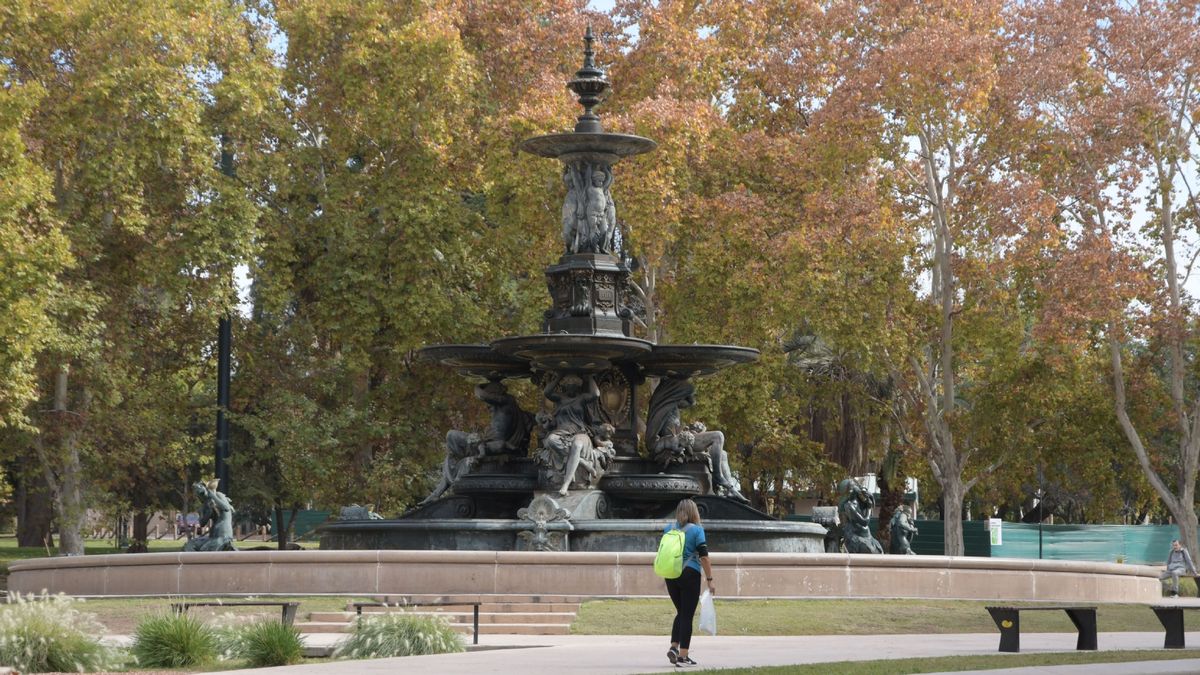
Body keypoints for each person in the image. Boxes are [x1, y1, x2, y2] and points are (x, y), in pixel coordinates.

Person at [663, 498, 715, 667]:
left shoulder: (668, 529)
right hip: (689, 574)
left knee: (681, 612)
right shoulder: (697, 530)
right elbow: (704, 556)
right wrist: (710, 579)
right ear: (695, 512)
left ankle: (674, 647)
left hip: (670, 575)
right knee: (687, 615)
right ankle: (683, 656)